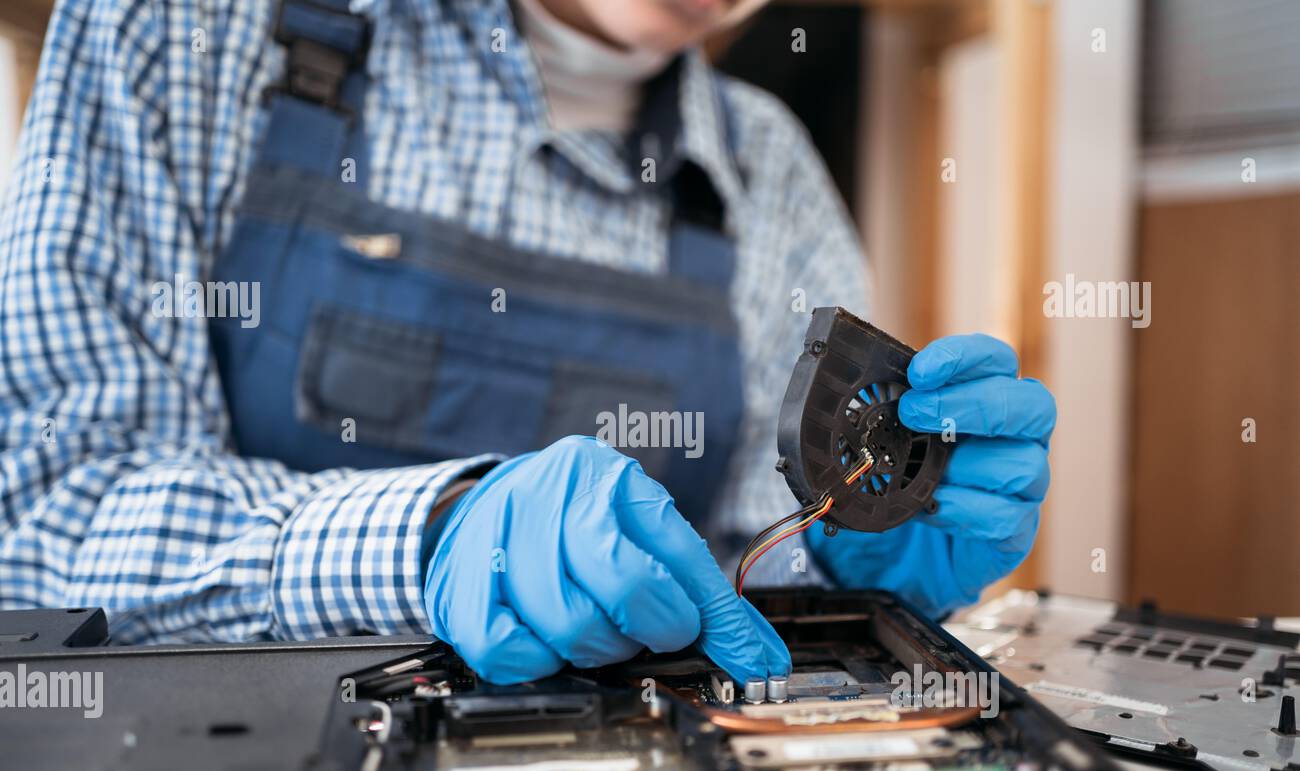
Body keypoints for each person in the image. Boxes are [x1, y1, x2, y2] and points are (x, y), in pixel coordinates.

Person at [0, 0, 1054, 684]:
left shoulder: (766, 167)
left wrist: (851, 551)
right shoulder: (189, 33)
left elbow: (748, 562)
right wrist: (432, 532)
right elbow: (44, 522)